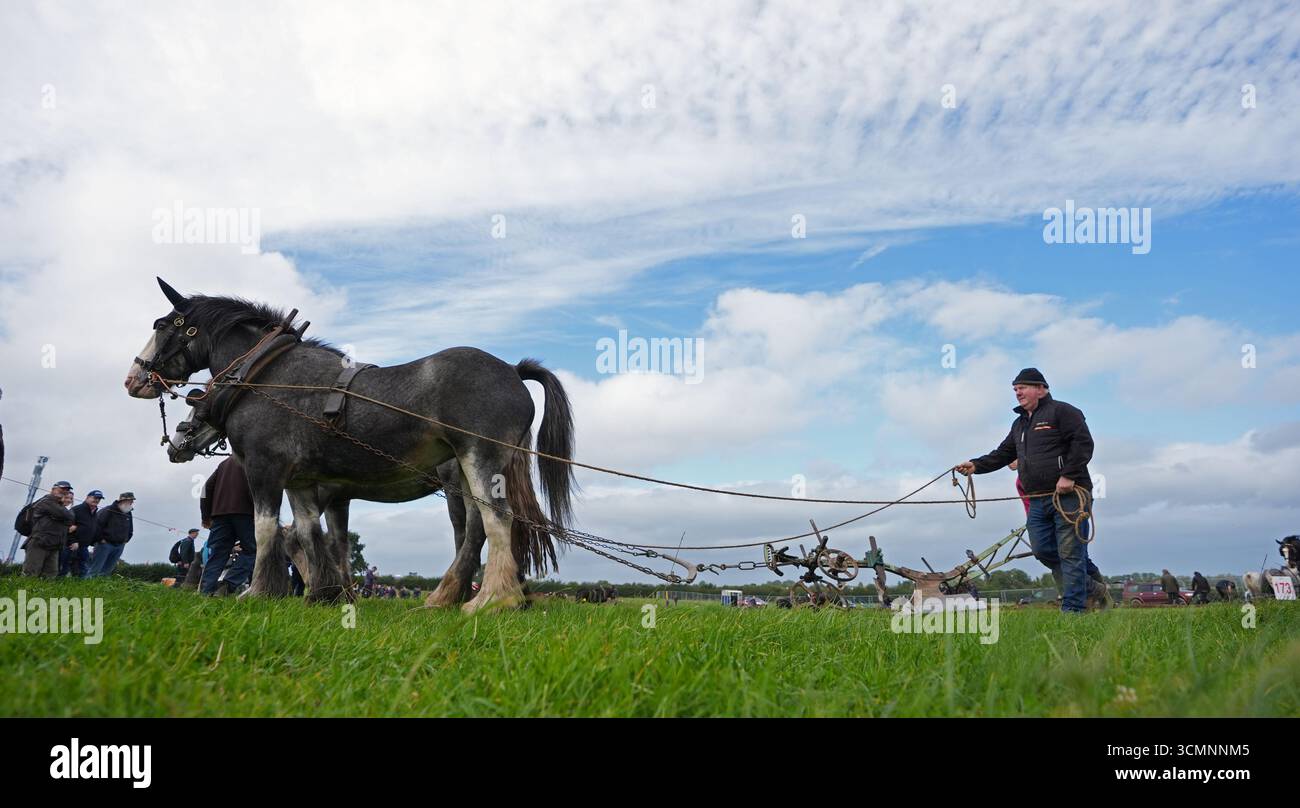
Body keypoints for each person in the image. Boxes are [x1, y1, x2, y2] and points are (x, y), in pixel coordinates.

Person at [956, 368, 1108, 614]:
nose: (1018, 393)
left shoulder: (1063, 411)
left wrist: (1068, 475)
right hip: (1037, 499)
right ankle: (1091, 588)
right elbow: (1004, 453)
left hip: (1069, 496)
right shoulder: (1020, 424)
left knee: (1070, 552)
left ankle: (1073, 610)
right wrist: (976, 465)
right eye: (1015, 389)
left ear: (1041, 388)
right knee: (1042, 549)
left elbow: (1083, 443)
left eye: (1023, 387)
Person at [199, 457, 256, 596]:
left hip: (219, 515)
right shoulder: (251, 460)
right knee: (251, 551)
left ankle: (205, 592)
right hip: (245, 513)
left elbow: (206, 488)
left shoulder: (224, 464)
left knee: (218, 553)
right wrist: (257, 512)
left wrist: (206, 516)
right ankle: (228, 585)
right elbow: (254, 487)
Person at [22, 481, 75, 577]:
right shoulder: (47, 500)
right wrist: (63, 517)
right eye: (62, 488)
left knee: (50, 576)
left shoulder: (59, 505)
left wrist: (62, 516)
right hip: (39, 542)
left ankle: (37, 593)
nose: (64, 491)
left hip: (54, 545)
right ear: (53, 489)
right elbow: (65, 515)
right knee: (29, 574)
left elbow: (70, 518)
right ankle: (22, 593)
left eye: (67, 490)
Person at [85, 492, 135, 577]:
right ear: (122, 501)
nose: (130, 504)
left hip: (119, 545)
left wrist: (126, 539)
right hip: (104, 544)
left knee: (107, 571)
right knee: (94, 570)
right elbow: (96, 525)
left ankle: (100, 588)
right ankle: (86, 587)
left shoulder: (128, 513)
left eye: (131, 502)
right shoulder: (107, 510)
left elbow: (130, 529)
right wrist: (100, 539)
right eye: (128, 501)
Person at [64, 490, 103, 577]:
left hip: (84, 547)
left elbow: (93, 530)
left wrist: (95, 542)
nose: (97, 500)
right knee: (63, 569)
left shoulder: (95, 514)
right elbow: (67, 527)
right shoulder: (76, 510)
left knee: (81, 572)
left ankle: (76, 589)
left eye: (99, 499)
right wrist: (73, 541)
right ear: (87, 497)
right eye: (95, 498)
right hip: (70, 546)